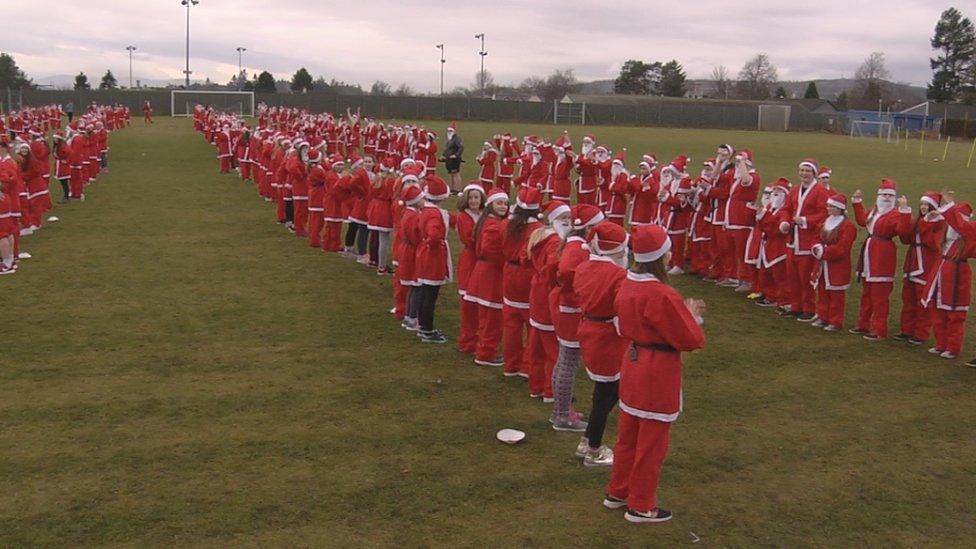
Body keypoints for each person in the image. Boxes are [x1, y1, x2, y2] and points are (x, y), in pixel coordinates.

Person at [605, 223, 706, 524]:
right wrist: (692, 316)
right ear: (660, 257)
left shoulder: (627, 283)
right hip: (657, 370)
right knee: (652, 443)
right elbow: (690, 339)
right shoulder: (662, 293)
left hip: (633, 362)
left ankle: (618, 491)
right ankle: (641, 505)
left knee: (628, 436)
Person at [574, 221, 630, 467]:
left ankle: (587, 440)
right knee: (606, 396)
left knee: (603, 392)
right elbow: (623, 307)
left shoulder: (584, 267)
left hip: (589, 330)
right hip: (608, 337)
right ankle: (594, 449)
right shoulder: (618, 275)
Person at [550, 204, 603, 432]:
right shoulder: (576, 248)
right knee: (568, 363)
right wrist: (582, 290)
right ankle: (562, 415)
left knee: (564, 361)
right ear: (588, 228)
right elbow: (565, 272)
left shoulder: (575, 245)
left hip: (569, 309)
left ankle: (560, 410)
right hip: (571, 311)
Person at [849, 180, 911, 340]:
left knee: (880, 295)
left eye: (890, 195)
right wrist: (857, 202)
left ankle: (879, 329)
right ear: (878, 195)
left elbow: (903, 232)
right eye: (884, 194)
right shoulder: (874, 211)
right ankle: (863, 324)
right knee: (867, 292)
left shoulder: (895, 214)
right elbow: (862, 220)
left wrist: (905, 211)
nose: (887, 198)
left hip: (882, 255)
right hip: (869, 253)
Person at [525, 200, 570, 401]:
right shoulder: (555, 242)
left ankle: (536, 386)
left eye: (569, 217)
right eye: (563, 218)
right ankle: (550, 390)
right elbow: (553, 267)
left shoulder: (540, 236)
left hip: (538, 293)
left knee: (536, 346)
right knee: (552, 348)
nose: (568, 221)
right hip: (548, 296)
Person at [777, 158, 830, 320]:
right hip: (793, 240)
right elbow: (786, 208)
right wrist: (784, 222)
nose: (804, 174)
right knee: (792, 276)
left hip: (808, 240)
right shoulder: (795, 190)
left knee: (805, 276)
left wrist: (806, 220)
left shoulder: (820, 191)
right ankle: (796, 306)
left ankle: (809, 308)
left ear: (814, 173)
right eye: (802, 170)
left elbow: (824, 213)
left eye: (808, 171)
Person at [923, 199, 974, 362]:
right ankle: (940, 343)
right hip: (940, 275)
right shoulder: (945, 239)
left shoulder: (968, 239)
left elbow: (965, 229)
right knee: (938, 312)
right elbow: (930, 236)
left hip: (957, 279)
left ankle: (953, 347)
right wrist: (932, 218)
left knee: (955, 315)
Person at [465, 189, 510, 366]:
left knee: (483, 314)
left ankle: (477, 346)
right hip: (491, 274)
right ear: (491, 204)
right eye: (499, 203)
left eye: (505, 203)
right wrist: (506, 263)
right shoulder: (494, 224)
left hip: (481, 270)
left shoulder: (485, 221)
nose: (503, 206)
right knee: (492, 316)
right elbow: (490, 250)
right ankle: (486, 354)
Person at [894, 192, 945, 345]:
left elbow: (932, 243)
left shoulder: (939, 223)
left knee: (923, 302)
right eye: (922, 204)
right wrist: (904, 211)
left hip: (927, 266)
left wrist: (927, 222)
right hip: (912, 265)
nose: (923, 207)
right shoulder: (919, 221)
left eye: (927, 205)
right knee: (908, 300)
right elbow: (904, 237)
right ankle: (907, 330)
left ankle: (921, 334)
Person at [501, 187, 542, 378]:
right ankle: (527, 366)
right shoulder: (538, 229)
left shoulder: (506, 224)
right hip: (528, 276)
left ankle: (511, 365)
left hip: (509, 273)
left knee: (511, 323)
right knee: (531, 324)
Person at [414, 177, 452, 343]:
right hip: (433, 256)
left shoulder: (426, 211)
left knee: (425, 292)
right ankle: (427, 330)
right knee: (430, 294)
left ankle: (423, 326)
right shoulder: (434, 214)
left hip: (425, 252)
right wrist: (436, 246)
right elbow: (435, 235)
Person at [810, 194, 857, 331]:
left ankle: (835, 321)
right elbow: (815, 237)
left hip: (837, 266)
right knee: (823, 291)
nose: (828, 208)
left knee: (836, 295)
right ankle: (823, 316)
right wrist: (816, 247)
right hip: (822, 264)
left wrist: (824, 252)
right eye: (828, 206)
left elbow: (843, 247)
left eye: (831, 206)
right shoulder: (825, 222)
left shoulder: (848, 226)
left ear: (839, 208)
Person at [453, 183, 486, 354]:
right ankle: (467, 342)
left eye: (476, 197)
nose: (474, 201)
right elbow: (468, 239)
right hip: (470, 260)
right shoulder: (463, 217)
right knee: (468, 304)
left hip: (481, 261)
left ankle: (479, 339)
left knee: (481, 303)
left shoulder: (484, 215)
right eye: (471, 197)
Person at [442, 122, 464, 192]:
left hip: (455, 159)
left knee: (455, 173)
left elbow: (461, 147)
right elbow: (447, 149)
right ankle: (452, 189)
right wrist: (443, 155)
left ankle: (457, 189)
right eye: (448, 130)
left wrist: (456, 155)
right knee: (451, 174)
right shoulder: (450, 139)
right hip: (449, 159)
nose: (449, 132)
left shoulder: (456, 139)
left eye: (451, 131)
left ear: (454, 131)